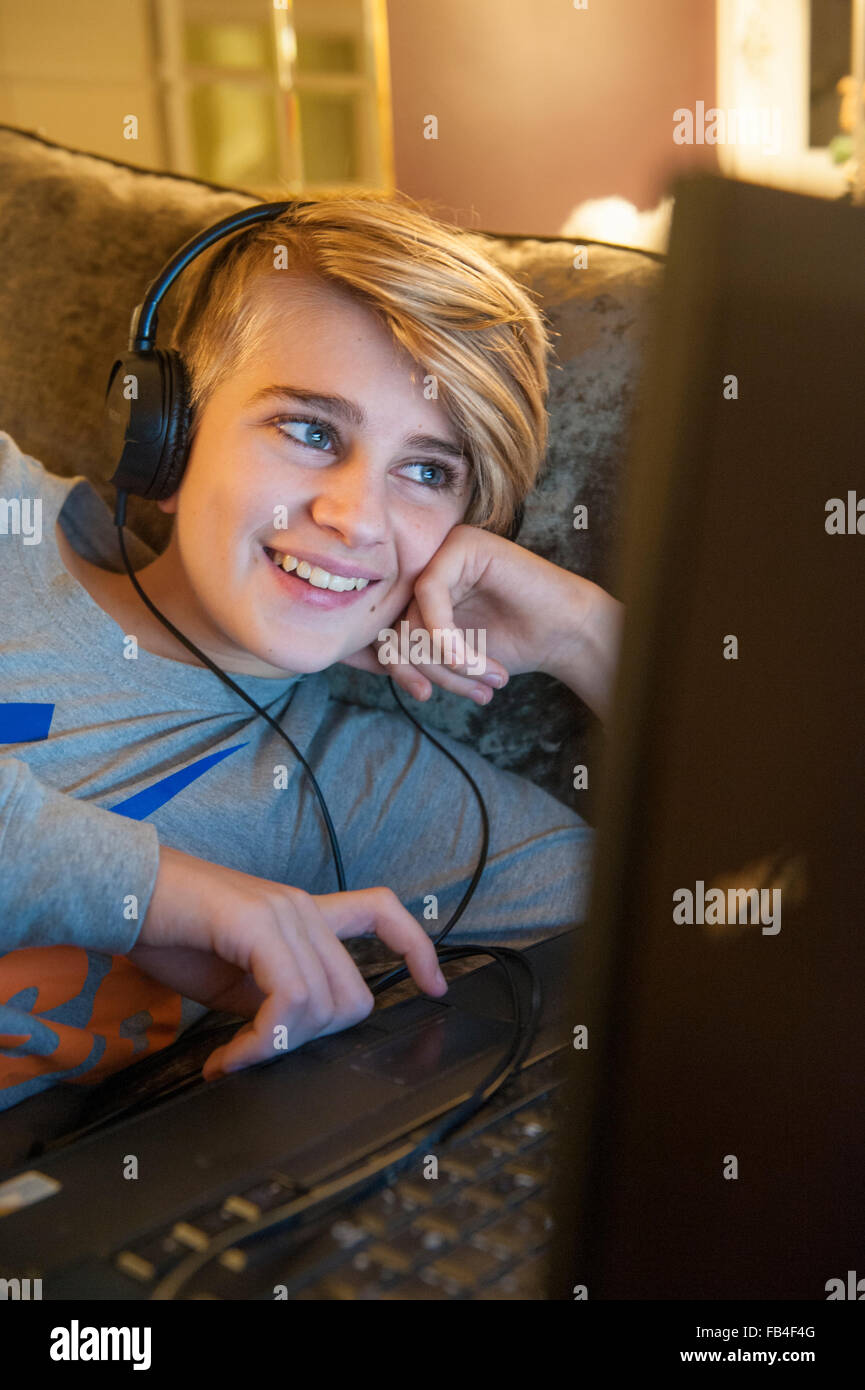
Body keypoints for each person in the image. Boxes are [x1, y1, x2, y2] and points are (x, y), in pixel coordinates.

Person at [0, 191, 623, 1113]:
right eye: (309, 430)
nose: (355, 517)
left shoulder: (367, 796)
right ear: (164, 439)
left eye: (426, 472)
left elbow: (755, 934)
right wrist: (166, 891)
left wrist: (586, 635)